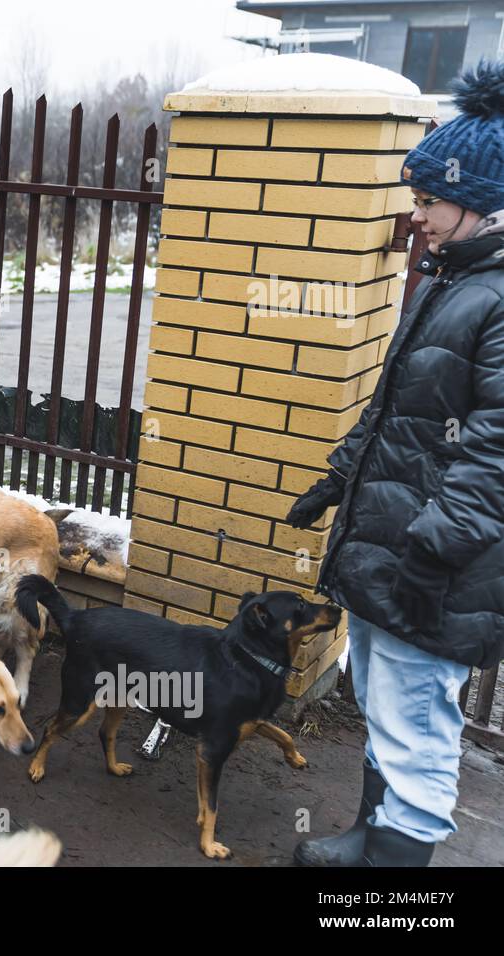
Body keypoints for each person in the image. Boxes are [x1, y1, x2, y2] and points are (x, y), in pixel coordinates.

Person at [288, 60, 504, 867]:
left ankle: (393, 883)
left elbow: (496, 449)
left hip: (438, 560)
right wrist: (340, 476)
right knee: (385, 703)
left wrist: (436, 546)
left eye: (428, 201)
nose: (416, 217)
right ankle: (366, 840)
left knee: (417, 719)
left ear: (481, 204)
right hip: (396, 540)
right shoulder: (452, 281)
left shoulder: (496, 297)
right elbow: (391, 411)